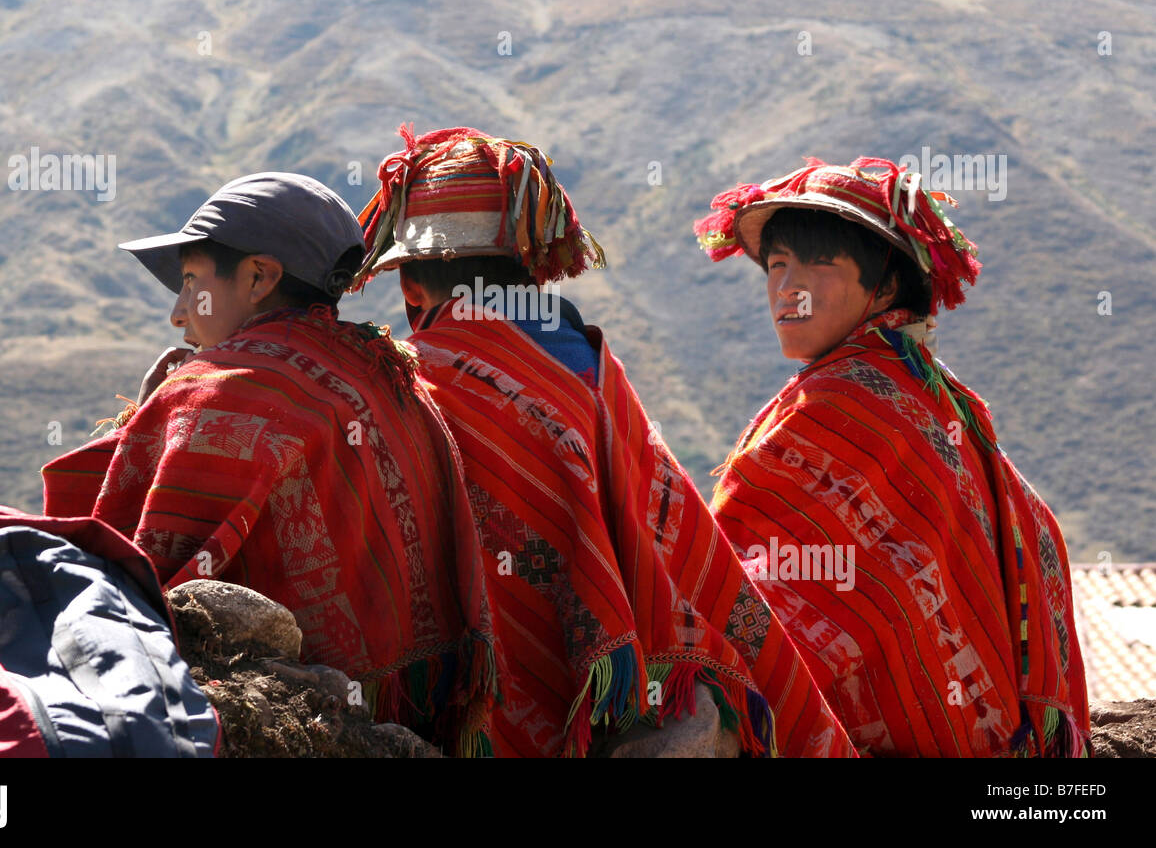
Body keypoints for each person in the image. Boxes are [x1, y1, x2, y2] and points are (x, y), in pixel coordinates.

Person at [353, 125, 856, 758]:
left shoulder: (411, 382)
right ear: (533, 265)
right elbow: (677, 541)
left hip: (478, 719)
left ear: (411, 285)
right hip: (650, 706)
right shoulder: (592, 367)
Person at [42, 172, 498, 755]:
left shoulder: (222, 391)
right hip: (415, 712)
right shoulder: (387, 375)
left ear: (259, 276)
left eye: (189, 282)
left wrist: (161, 409)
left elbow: (124, 584)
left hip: (294, 725)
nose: (179, 314)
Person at [694, 156, 1090, 757]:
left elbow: (741, 605)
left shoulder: (839, 405)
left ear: (883, 286)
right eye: (777, 264)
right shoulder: (927, 392)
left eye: (819, 262)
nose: (787, 288)